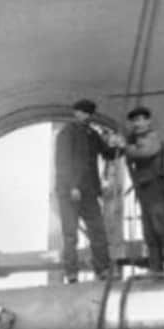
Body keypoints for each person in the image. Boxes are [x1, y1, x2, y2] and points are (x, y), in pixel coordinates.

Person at [55, 99, 117, 283]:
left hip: (89, 191)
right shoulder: (66, 133)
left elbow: (107, 153)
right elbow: (62, 162)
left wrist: (117, 146)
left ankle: (103, 269)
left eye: (88, 113)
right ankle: (71, 273)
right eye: (81, 112)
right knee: (70, 234)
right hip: (70, 192)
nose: (84, 116)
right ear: (75, 113)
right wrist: (72, 186)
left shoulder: (92, 134)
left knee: (97, 230)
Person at [120, 106, 164, 276]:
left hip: (155, 187)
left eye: (141, 119)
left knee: (161, 227)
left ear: (148, 121)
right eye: (134, 121)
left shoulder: (153, 137)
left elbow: (145, 153)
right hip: (143, 188)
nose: (137, 123)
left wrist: (126, 147)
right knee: (149, 231)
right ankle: (155, 267)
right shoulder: (135, 140)